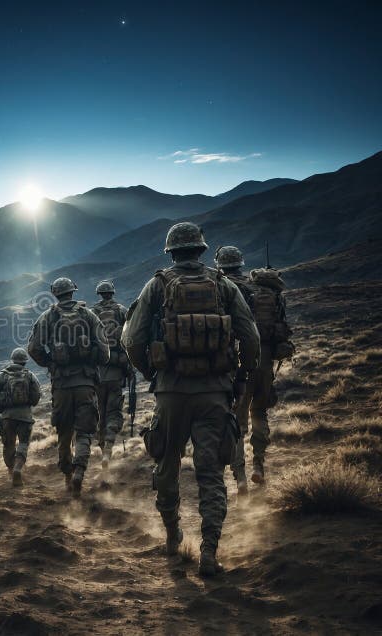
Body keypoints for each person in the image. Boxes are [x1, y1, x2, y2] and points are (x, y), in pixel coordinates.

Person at [121, 222, 259, 577]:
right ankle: (210, 551)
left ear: (171, 251)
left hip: (171, 391)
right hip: (214, 392)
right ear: (200, 249)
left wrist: (152, 374)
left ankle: (172, 535)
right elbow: (251, 338)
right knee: (210, 472)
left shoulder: (157, 285)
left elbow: (132, 339)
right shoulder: (224, 284)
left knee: (166, 463)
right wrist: (240, 378)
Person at [214, 246, 294, 491]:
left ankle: (239, 478)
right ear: (240, 263)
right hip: (264, 360)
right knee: (259, 413)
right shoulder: (266, 290)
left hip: (234, 363)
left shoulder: (220, 289)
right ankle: (258, 466)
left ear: (220, 264)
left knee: (235, 421)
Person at [27, 277, 109, 496]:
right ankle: (80, 470)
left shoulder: (48, 317)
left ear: (55, 293)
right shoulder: (88, 315)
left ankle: (66, 475)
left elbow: (33, 348)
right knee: (84, 432)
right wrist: (91, 361)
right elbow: (105, 352)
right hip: (86, 384)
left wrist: (51, 363)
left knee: (64, 431)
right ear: (73, 291)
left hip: (61, 385)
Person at [91, 280, 133, 468]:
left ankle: (102, 451)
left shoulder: (91, 313)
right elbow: (129, 338)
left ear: (99, 294)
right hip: (117, 372)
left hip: (97, 373)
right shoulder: (122, 311)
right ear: (112, 293)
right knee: (113, 412)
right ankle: (108, 448)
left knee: (99, 412)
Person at [0, 348, 41, 486]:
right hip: (25, 416)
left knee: (9, 445)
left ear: (12, 359)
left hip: (7, 417)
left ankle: (11, 471)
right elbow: (36, 396)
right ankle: (18, 468)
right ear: (25, 361)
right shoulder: (30, 375)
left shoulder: (1, 376)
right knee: (23, 443)